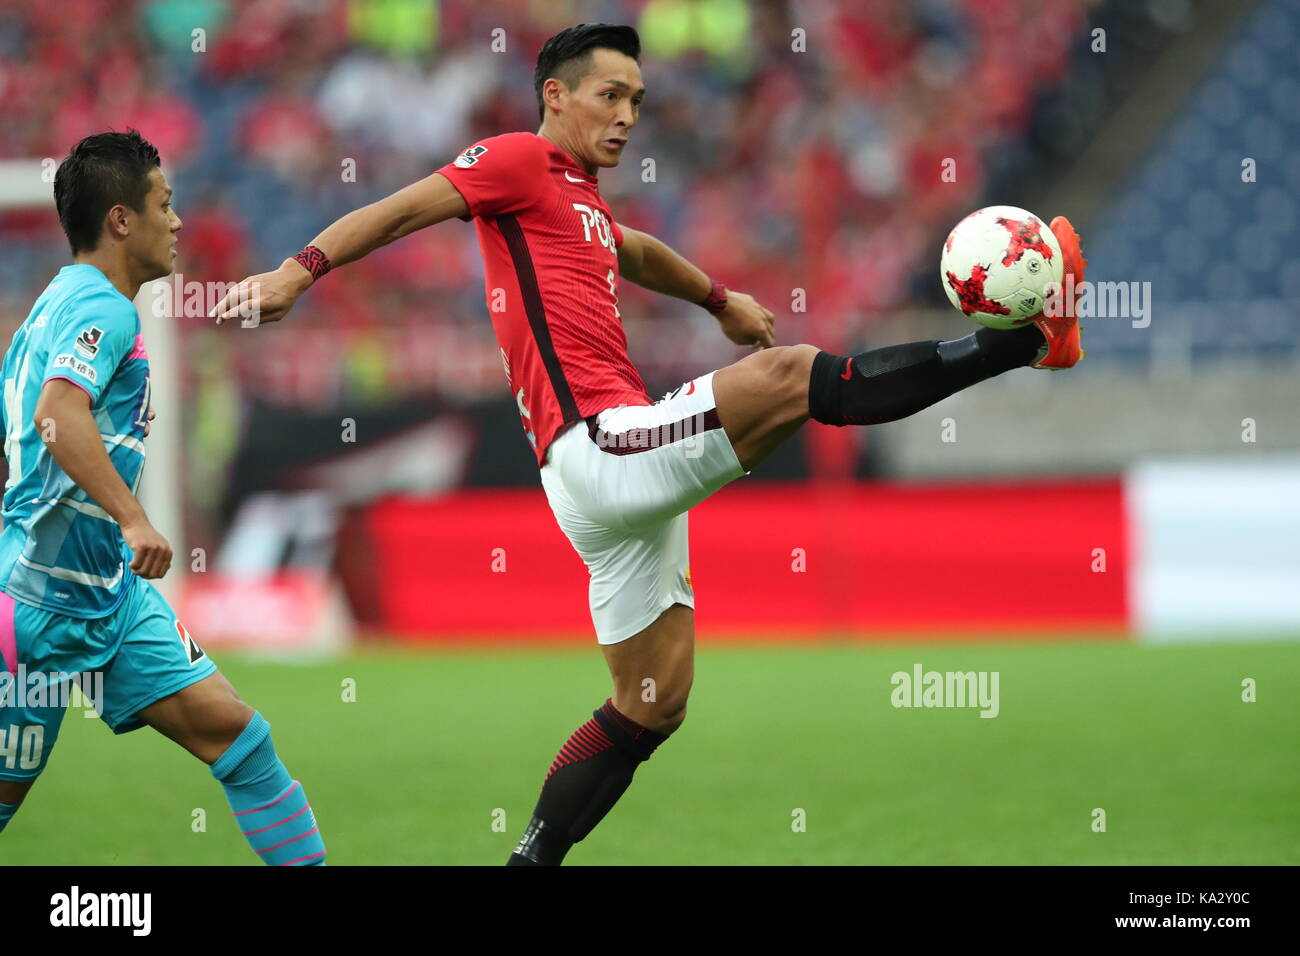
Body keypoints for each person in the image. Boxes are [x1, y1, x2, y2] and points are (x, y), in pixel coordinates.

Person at [211, 23, 1085, 865]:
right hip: (600, 445)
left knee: (651, 702)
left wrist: (718, 300)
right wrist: (298, 271)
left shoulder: (578, 200)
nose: (628, 115)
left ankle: (530, 859)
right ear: (555, 97)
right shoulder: (517, 158)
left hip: (607, 480)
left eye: (637, 98)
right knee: (793, 378)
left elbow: (633, 250)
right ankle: (1022, 340)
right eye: (610, 95)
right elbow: (406, 206)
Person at [0, 130, 327, 865]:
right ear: (122, 220)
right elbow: (57, 415)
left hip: (109, 596)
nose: (177, 222)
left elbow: (22, 435)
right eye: (164, 204)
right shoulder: (104, 308)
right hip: (37, 611)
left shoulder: (42, 313)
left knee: (240, 737)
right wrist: (133, 514)